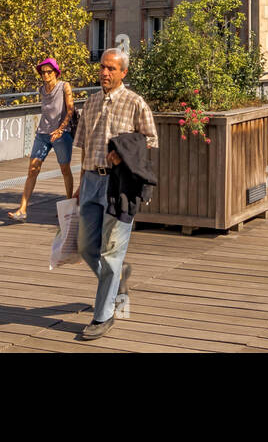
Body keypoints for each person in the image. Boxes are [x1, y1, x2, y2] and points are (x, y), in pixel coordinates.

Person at [72, 48, 158, 340]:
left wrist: (124, 153)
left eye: (111, 68)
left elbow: (151, 139)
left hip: (120, 186)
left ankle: (103, 315)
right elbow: (83, 144)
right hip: (91, 183)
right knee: (85, 247)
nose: (105, 73)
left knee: (111, 254)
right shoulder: (91, 101)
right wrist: (78, 183)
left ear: (124, 72)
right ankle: (115, 282)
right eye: (102, 67)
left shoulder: (136, 103)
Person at [7, 59, 75, 221]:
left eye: (49, 72)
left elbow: (70, 109)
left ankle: (69, 205)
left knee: (65, 169)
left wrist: (60, 129)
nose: (45, 75)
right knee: (32, 169)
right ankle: (22, 209)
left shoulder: (64, 86)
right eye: (43, 72)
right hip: (43, 134)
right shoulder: (41, 90)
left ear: (56, 73)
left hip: (61, 134)